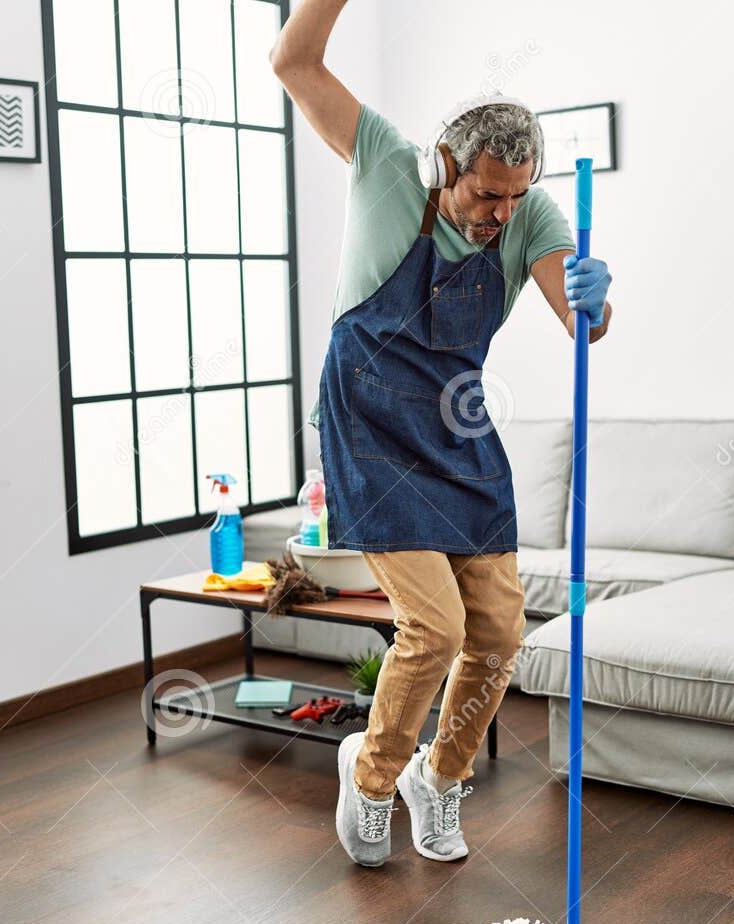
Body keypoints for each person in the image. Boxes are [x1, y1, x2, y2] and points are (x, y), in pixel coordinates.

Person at [271, 0, 613, 867]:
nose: (498, 212)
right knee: (437, 628)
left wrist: (593, 300)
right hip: (371, 426)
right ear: (445, 164)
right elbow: (293, 63)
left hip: (457, 428)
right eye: (484, 192)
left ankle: (440, 777)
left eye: (514, 195)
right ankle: (375, 777)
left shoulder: (529, 216)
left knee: (501, 635)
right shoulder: (387, 161)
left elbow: (583, 328)